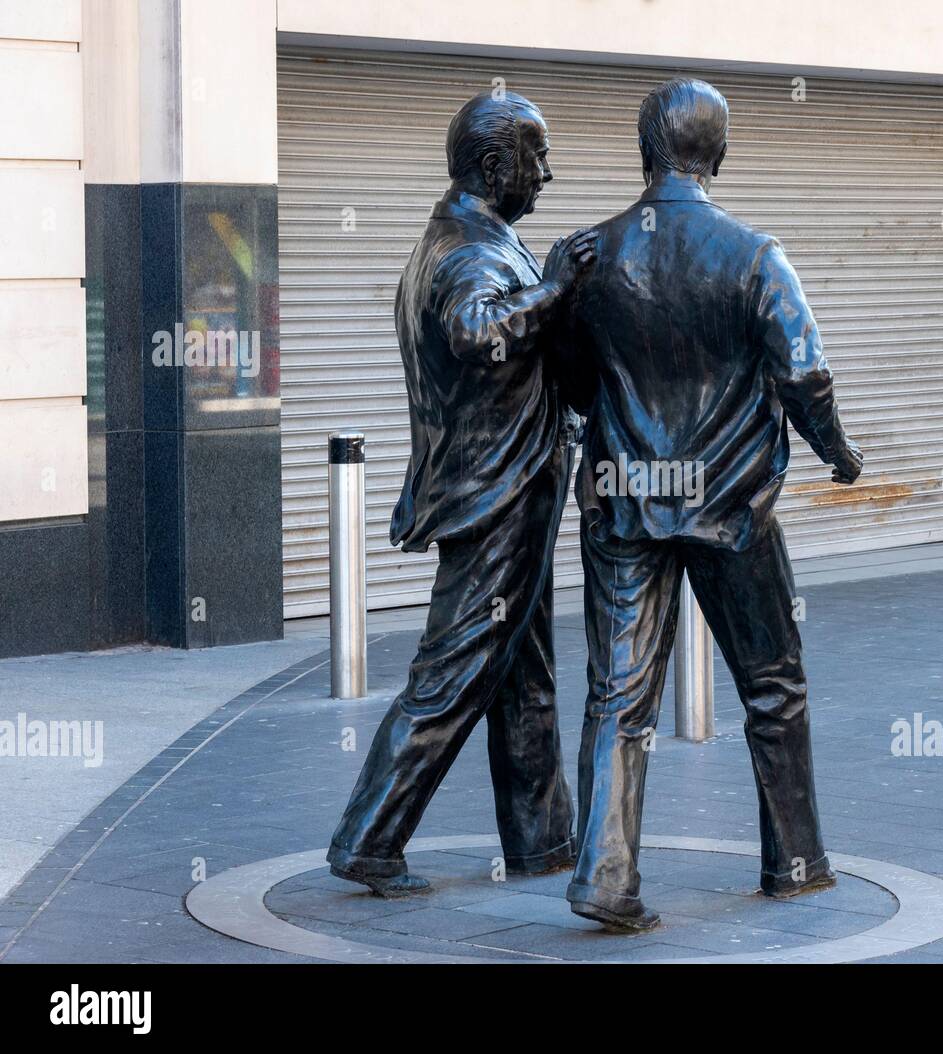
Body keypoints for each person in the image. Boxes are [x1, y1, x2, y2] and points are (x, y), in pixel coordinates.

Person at [550, 77, 864, 930]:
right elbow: (805, 371)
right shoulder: (756, 254)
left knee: (616, 694)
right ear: (716, 154)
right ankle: (794, 860)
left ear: (645, 152)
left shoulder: (589, 256)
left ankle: (605, 877)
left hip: (625, 505)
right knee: (773, 685)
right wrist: (836, 451)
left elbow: (573, 386)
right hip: (732, 509)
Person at [326, 91, 596, 897]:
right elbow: (479, 335)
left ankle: (543, 840)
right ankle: (368, 837)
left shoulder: (472, 238)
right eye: (536, 156)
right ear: (493, 165)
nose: (548, 173)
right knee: (454, 675)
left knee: (525, 674)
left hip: (515, 490)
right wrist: (555, 290)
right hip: (496, 500)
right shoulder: (468, 254)